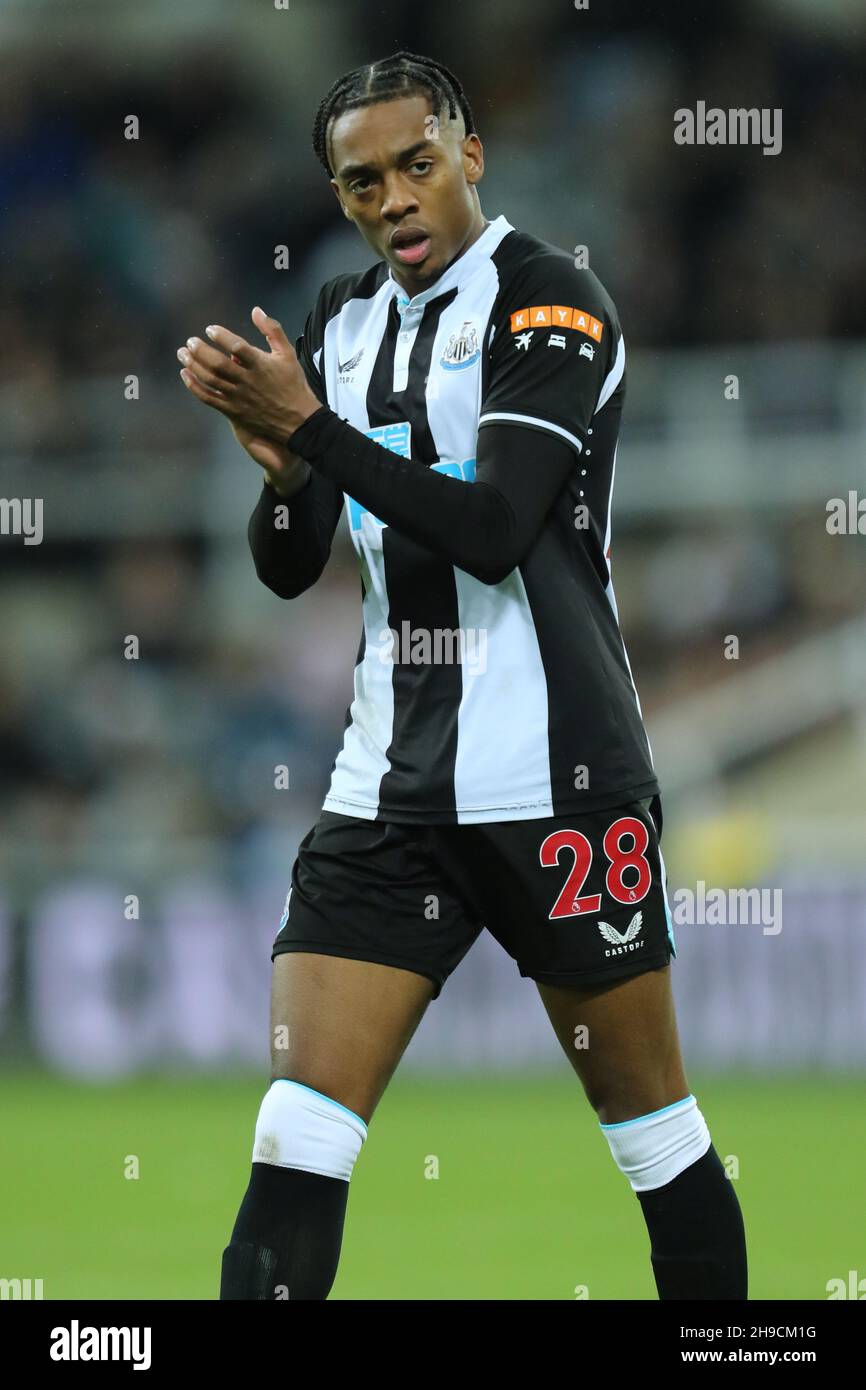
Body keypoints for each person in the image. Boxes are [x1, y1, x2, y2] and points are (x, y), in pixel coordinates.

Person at [177, 49, 747, 1302]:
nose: (392, 199)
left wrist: (312, 429)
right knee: (296, 1130)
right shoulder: (337, 320)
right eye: (361, 181)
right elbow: (292, 563)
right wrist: (283, 473)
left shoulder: (553, 300)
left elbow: (493, 528)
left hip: (561, 780)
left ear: (468, 156)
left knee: (651, 1133)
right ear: (338, 196)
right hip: (388, 789)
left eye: (415, 166)